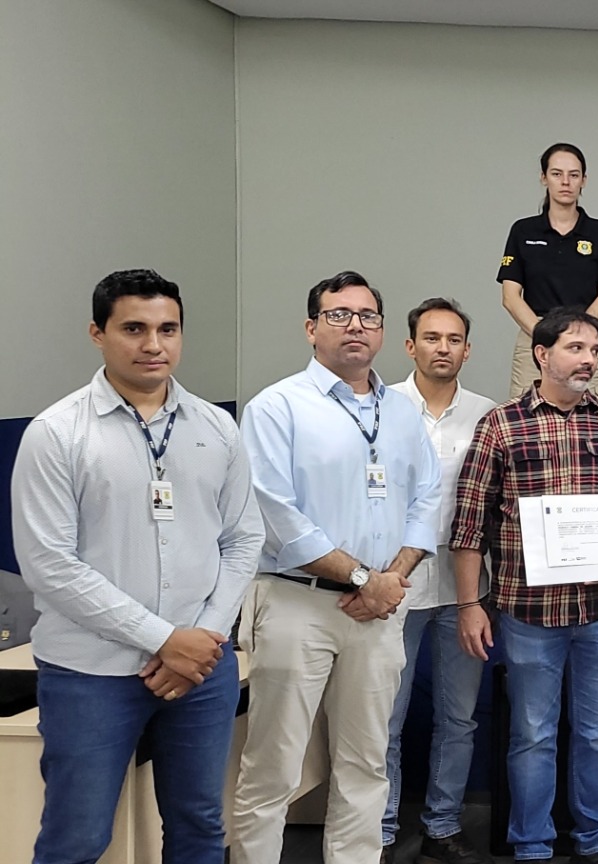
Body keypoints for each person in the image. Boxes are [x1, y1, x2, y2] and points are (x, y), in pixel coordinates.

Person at [12, 269, 264, 864]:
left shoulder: (215, 426)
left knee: (200, 825)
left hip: (201, 671)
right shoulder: (57, 434)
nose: (154, 344)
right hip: (89, 673)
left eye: (168, 329)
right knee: (77, 836)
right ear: (97, 333)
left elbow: (243, 535)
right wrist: (164, 640)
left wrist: (202, 639)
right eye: (134, 328)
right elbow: (50, 565)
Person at [231, 271, 442, 864]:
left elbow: (428, 499)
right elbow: (277, 513)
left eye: (368, 316)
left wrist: (391, 578)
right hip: (298, 603)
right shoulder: (277, 407)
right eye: (339, 315)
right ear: (311, 328)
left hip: (379, 611)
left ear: (382, 330)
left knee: (366, 764)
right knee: (274, 765)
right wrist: (361, 579)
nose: (356, 326)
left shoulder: (402, 411)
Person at [447, 306, 598, 863]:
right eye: (576, 348)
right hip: (529, 615)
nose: (588, 360)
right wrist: (470, 604)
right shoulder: (502, 424)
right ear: (542, 354)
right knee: (532, 737)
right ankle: (531, 844)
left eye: (593, 350)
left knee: (597, 737)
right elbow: (469, 524)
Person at [381, 298, 497, 863]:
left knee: (458, 716)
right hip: (391, 587)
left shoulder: (488, 414)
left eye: (454, 339)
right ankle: (376, 829)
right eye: (432, 338)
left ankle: (442, 825)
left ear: (467, 350)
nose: (443, 348)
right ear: (411, 346)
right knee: (384, 714)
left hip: (463, 590)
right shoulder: (379, 408)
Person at [497, 142, 598, 398]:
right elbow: (510, 297)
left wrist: (579, 338)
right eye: (557, 174)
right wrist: (546, 338)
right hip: (535, 337)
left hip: (587, 337)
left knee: (593, 421)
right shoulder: (523, 231)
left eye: (574, 175)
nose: (565, 182)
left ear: (584, 180)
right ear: (544, 178)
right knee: (526, 424)